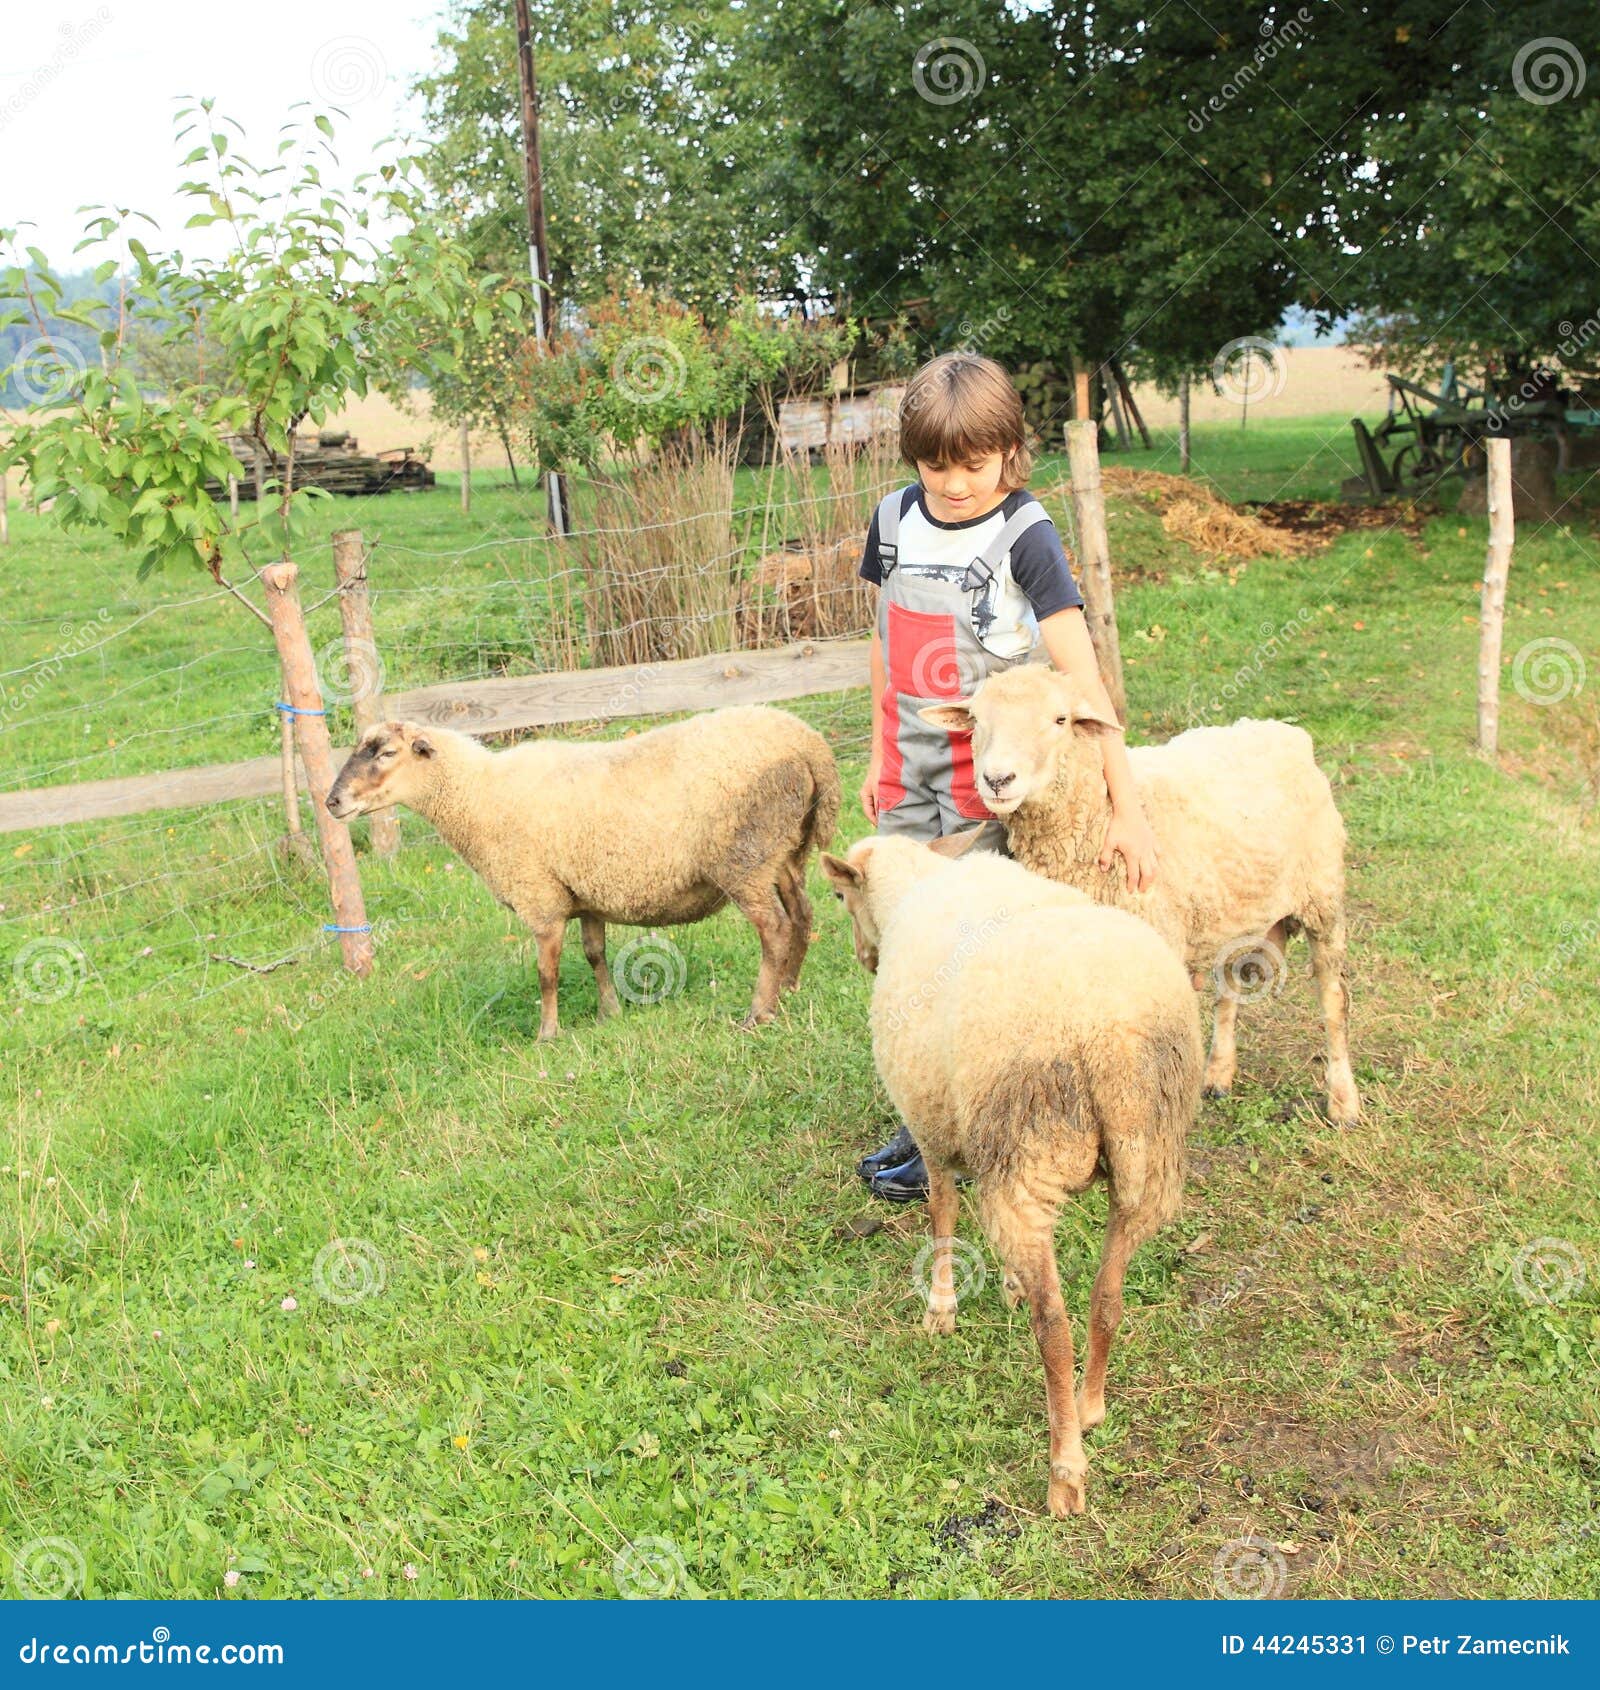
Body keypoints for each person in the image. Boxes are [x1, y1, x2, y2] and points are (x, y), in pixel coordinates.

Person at [855, 351, 1159, 1202]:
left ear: (1011, 453)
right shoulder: (891, 519)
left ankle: (976, 1124)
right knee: (904, 951)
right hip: (908, 771)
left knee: (966, 950)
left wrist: (1125, 809)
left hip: (991, 777)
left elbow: (1083, 682)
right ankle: (924, 1117)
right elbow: (882, 648)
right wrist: (878, 761)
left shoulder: (1025, 535)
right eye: (935, 464)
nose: (954, 484)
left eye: (975, 464)